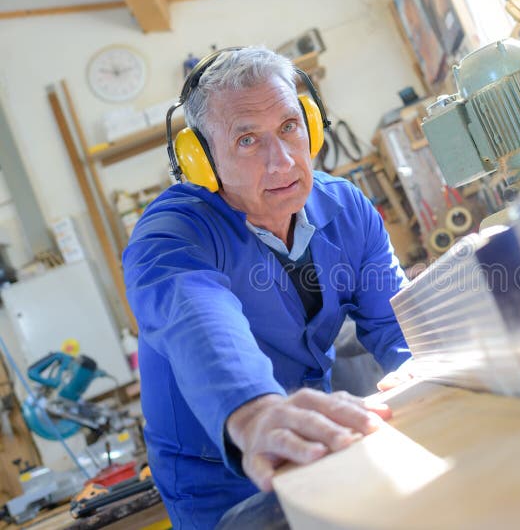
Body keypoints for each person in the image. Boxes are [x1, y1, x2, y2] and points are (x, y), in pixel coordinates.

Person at [122, 46, 412, 528]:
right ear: (201, 159)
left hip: (311, 447)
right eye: (248, 140)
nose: (281, 161)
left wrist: (428, 372)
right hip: (220, 484)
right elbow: (197, 317)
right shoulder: (172, 235)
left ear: (312, 125)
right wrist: (254, 412)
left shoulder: (347, 209)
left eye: (289, 127)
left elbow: (395, 322)